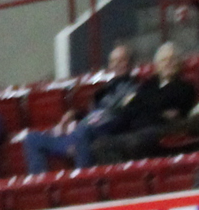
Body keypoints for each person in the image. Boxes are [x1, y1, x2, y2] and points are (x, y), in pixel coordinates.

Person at [23, 43, 139, 173]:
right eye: (113, 61)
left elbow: (121, 116)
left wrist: (89, 125)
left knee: (84, 132)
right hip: (79, 134)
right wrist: (76, 115)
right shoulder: (104, 90)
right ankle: (41, 182)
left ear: (131, 63)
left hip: (98, 135)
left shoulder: (134, 90)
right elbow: (92, 113)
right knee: (32, 139)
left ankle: (81, 181)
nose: (116, 64)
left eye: (121, 60)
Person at [90, 43, 197, 164]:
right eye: (164, 60)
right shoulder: (148, 84)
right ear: (158, 65)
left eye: (172, 59)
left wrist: (146, 106)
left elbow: (172, 114)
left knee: (135, 142)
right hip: (137, 129)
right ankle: (123, 174)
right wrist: (156, 108)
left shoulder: (185, 87)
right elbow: (132, 107)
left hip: (163, 129)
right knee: (100, 145)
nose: (168, 63)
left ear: (180, 63)